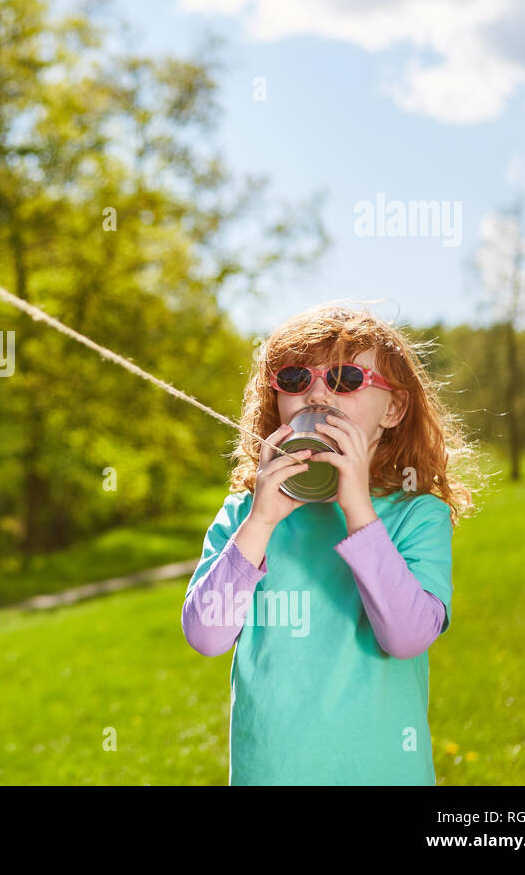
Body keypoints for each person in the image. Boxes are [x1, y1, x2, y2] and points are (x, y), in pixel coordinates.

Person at [181, 303, 480, 784]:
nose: (317, 394)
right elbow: (205, 636)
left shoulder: (417, 514)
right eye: (296, 379)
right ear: (275, 401)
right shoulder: (245, 514)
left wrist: (358, 509)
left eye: (344, 378)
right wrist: (259, 522)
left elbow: (405, 638)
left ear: (394, 408)